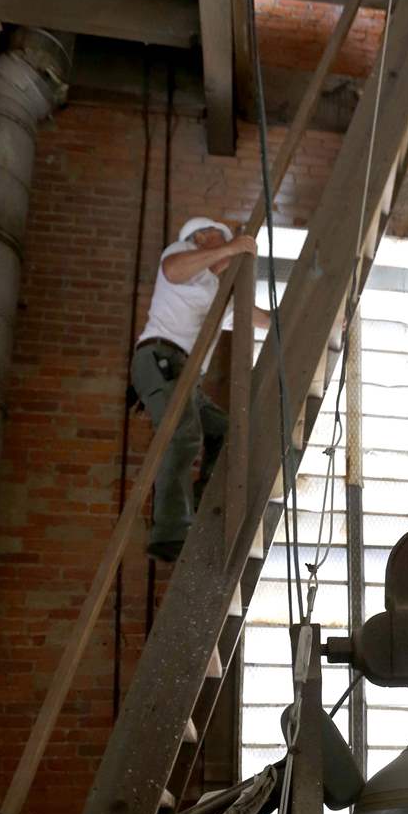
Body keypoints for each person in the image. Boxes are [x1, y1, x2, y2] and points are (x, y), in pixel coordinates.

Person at [131, 217, 271, 561]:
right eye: (218, 242)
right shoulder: (183, 254)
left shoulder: (213, 291)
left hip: (186, 376)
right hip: (160, 357)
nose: (225, 259)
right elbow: (173, 269)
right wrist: (233, 245)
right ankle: (170, 531)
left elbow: (259, 318)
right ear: (200, 238)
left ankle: (200, 505)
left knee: (224, 432)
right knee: (182, 434)